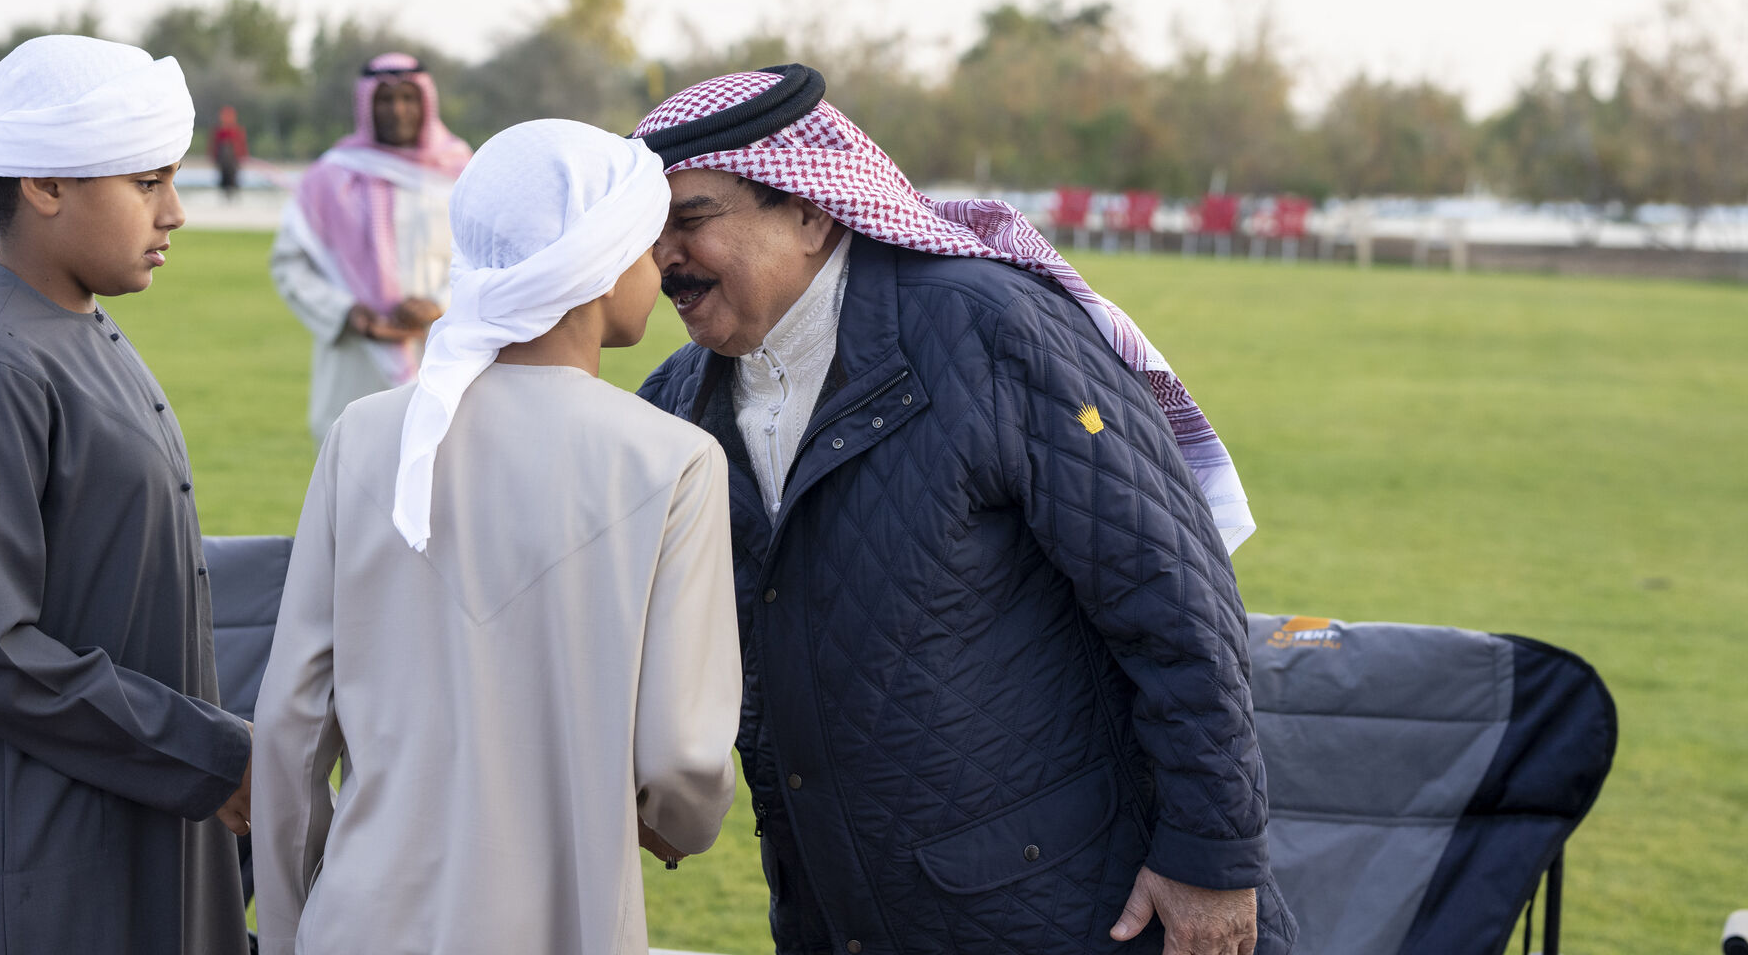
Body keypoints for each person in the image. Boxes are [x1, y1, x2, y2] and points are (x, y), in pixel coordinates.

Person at [633, 66, 1296, 955]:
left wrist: (1213, 857)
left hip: (1072, 908)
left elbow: (1173, 600)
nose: (662, 256)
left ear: (809, 207)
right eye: (647, 228)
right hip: (838, 912)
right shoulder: (679, 397)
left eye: (692, 218)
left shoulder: (992, 333)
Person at [254, 120, 742, 955]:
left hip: (360, 920)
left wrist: (302, 920)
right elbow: (681, 756)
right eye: (642, 240)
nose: (661, 262)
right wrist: (677, 827)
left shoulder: (367, 434)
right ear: (592, 266)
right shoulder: (674, 460)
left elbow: (292, 726)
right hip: (565, 916)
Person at [0, 35, 253, 955]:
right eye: (148, 182)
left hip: (118, 820)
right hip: (26, 862)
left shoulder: (72, 327)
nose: (176, 213)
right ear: (46, 186)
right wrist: (206, 752)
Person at [271, 53, 472, 440]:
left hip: (439, 353)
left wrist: (439, 303)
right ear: (365, 105)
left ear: (426, 102)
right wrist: (347, 314)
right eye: (384, 100)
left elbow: (489, 260)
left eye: (408, 98)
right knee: (353, 479)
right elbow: (289, 264)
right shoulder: (329, 178)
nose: (397, 111)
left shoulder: (464, 173)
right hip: (355, 363)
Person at [211, 104, 248, 198]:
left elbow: (241, 145)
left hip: (233, 160)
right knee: (225, 179)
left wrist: (242, 158)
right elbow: (214, 146)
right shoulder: (219, 131)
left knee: (233, 178)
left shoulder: (237, 130)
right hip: (224, 161)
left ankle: (231, 195)